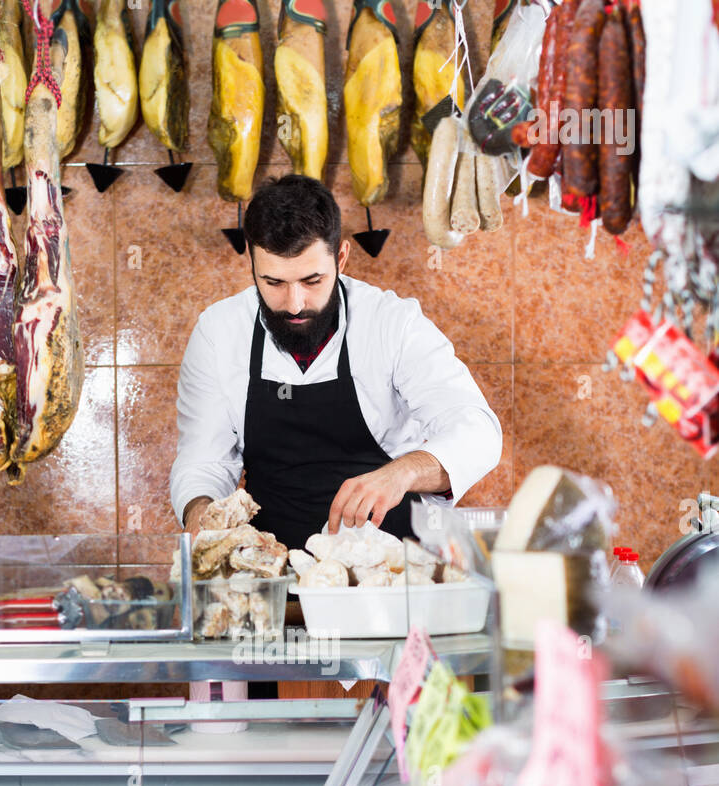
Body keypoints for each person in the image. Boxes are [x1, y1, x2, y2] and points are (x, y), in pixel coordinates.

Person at [171, 175, 502, 551]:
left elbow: (479, 431)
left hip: (388, 569)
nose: (294, 303)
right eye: (273, 282)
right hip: (271, 569)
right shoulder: (219, 331)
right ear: (252, 261)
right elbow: (203, 459)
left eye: (312, 280)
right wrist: (200, 512)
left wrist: (403, 472)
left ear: (341, 257)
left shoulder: (392, 322)